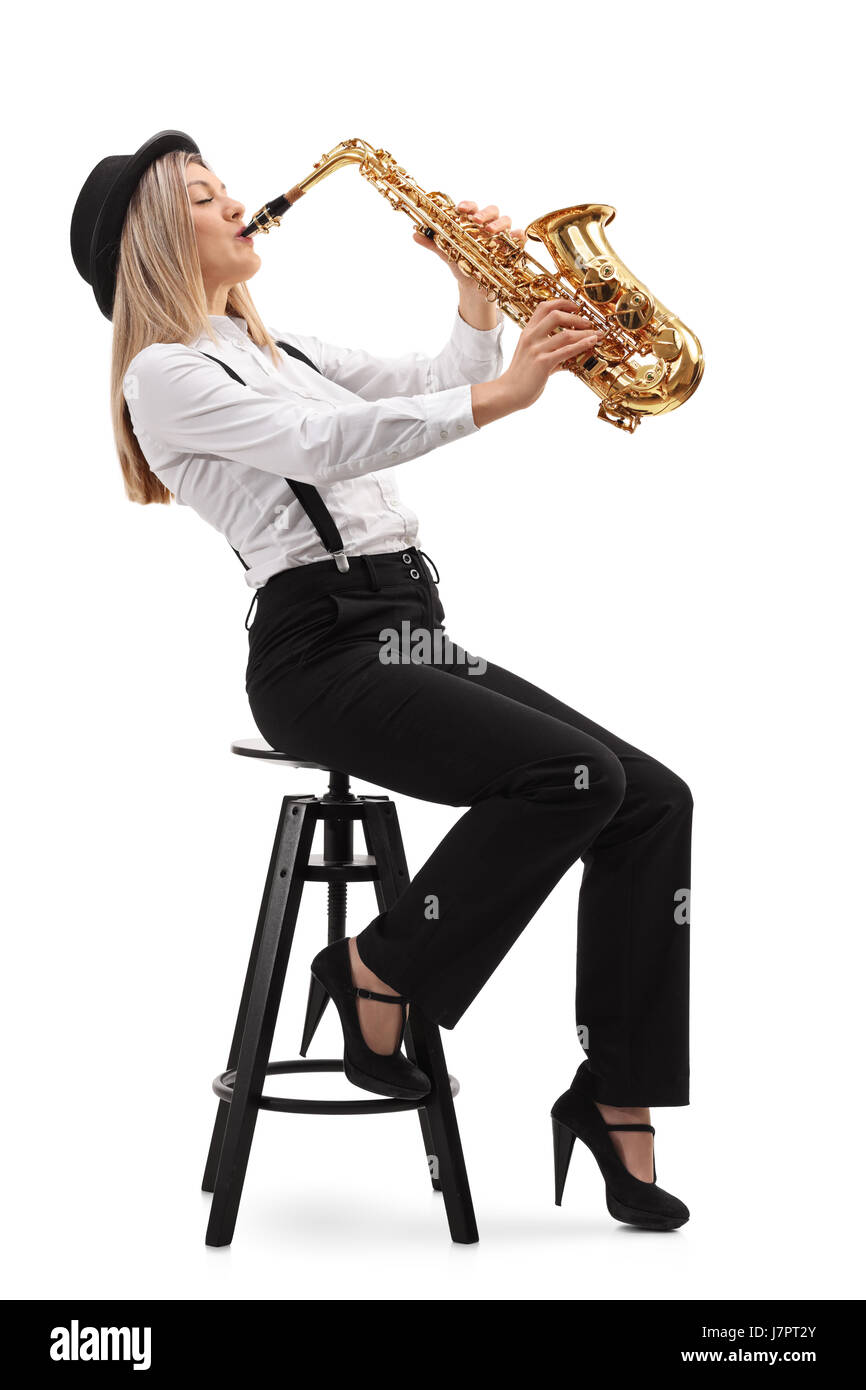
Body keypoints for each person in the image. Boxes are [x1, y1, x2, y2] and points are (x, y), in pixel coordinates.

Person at [71, 130, 692, 1230]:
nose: (238, 207)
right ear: (160, 238)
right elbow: (325, 447)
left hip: (403, 627)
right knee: (566, 776)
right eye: (208, 199)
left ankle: (615, 1094)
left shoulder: (282, 347)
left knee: (646, 796)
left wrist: (472, 295)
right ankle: (374, 965)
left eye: (225, 191)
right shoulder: (163, 375)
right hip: (317, 653)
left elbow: (431, 381)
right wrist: (506, 396)